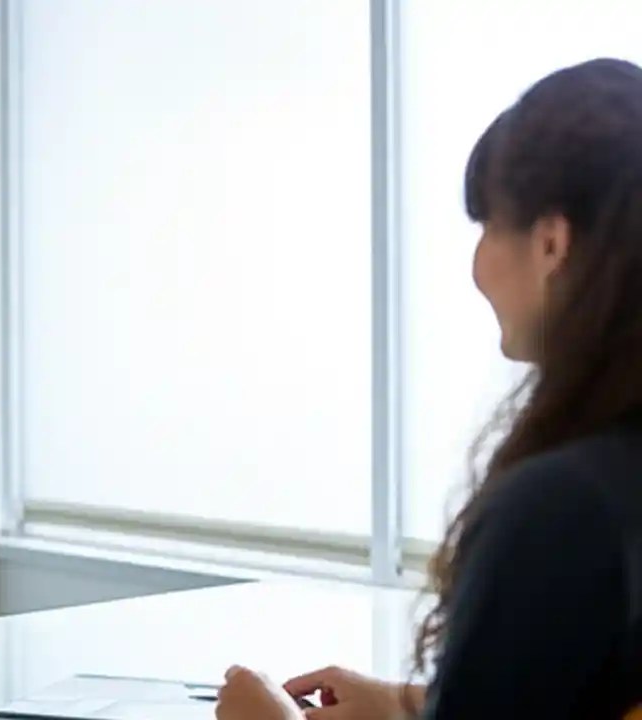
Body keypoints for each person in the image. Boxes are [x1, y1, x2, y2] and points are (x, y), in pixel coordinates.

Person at [217, 57, 642, 719]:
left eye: (488, 227)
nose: (476, 266)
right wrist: (412, 706)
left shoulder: (560, 510)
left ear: (551, 244)